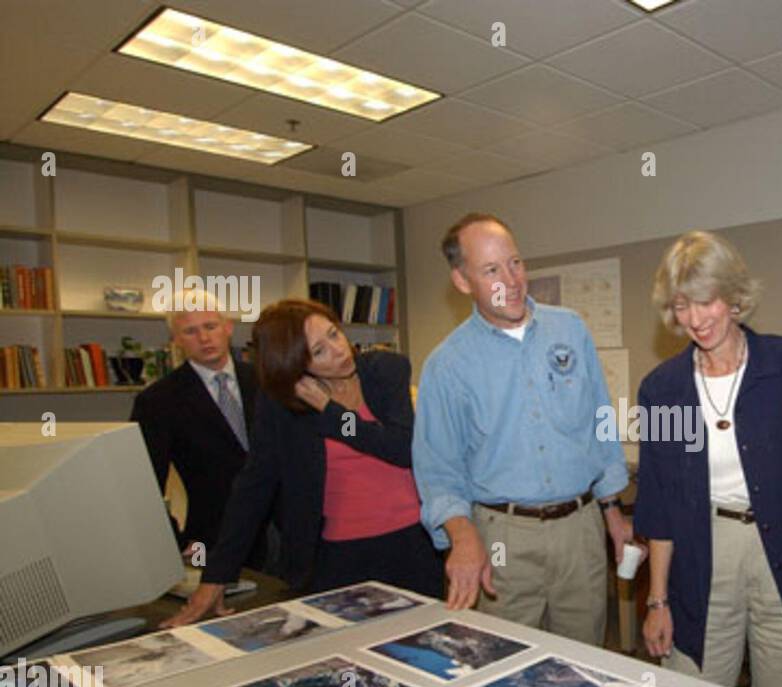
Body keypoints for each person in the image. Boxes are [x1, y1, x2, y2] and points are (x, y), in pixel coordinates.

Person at [635, 230, 782, 687]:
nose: (695, 319)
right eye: (681, 306)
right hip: (702, 554)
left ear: (734, 297)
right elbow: (658, 506)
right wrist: (657, 602)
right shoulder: (662, 389)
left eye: (705, 301)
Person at [413, 212, 631, 647]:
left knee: (586, 663)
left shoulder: (569, 328)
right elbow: (439, 472)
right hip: (502, 537)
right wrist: (463, 536)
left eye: (515, 263)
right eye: (491, 270)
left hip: (580, 529)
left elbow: (599, 423)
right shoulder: (448, 364)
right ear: (462, 281)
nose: (510, 280)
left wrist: (613, 512)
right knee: (506, 665)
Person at [162, 299, 443, 627]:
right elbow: (255, 485)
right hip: (335, 556)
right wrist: (217, 575)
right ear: (294, 364)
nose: (340, 350)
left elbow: (401, 448)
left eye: (334, 334)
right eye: (319, 351)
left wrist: (330, 411)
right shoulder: (281, 400)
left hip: (411, 547)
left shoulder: (384, 369)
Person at [130, 290, 267, 567]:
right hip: (215, 537)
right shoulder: (157, 401)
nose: (204, 338)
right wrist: (176, 540)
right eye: (190, 331)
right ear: (176, 340)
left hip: (284, 531)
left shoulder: (267, 380)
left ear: (228, 327)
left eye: (210, 326)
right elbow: (139, 485)